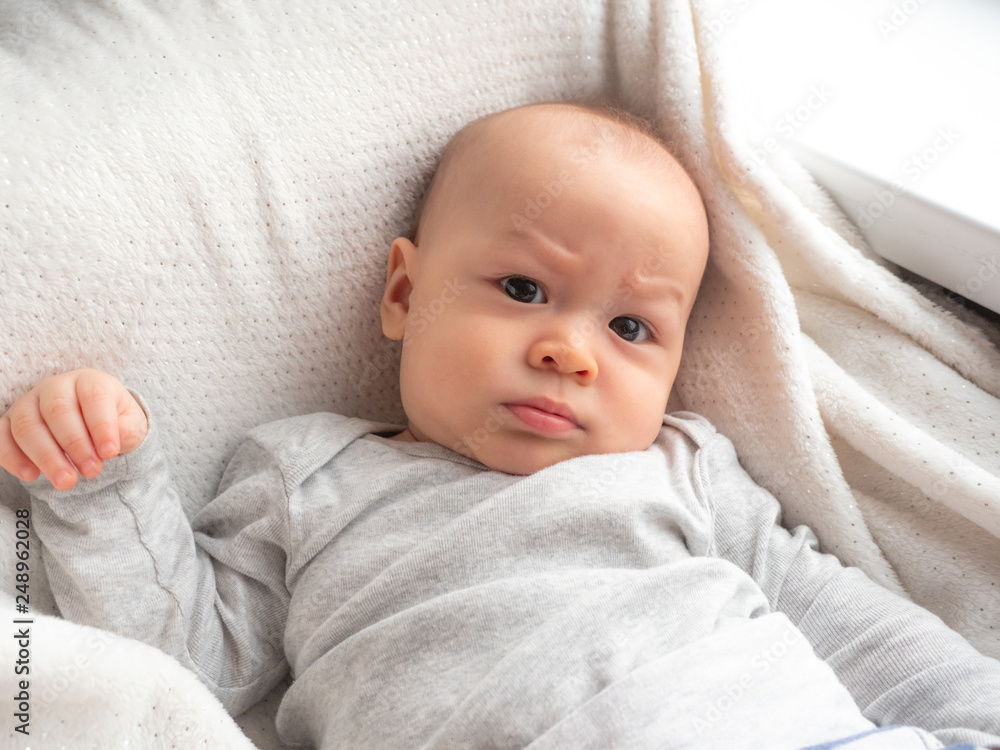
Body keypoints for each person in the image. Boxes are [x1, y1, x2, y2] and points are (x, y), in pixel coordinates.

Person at [2, 102, 999, 750]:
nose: (572, 351)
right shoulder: (309, 478)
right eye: (524, 288)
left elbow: (846, 623)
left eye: (629, 327)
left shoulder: (680, 467)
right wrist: (99, 484)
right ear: (404, 291)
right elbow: (175, 662)